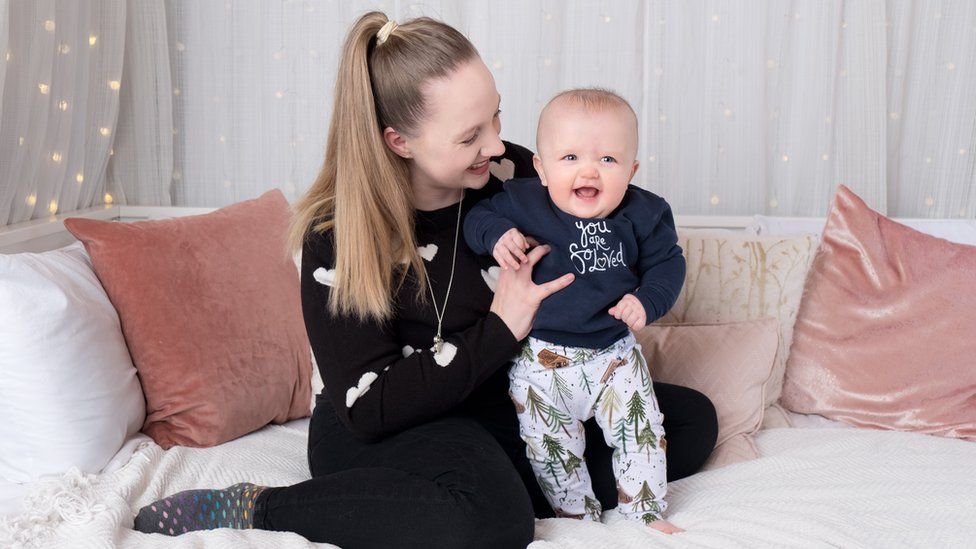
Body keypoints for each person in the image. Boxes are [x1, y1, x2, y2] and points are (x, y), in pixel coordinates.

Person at [133, 12, 717, 548]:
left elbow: (613, 210)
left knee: (687, 422)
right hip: (388, 425)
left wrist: (634, 289)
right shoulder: (340, 233)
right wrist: (502, 326)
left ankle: (505, 477)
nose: (494, 143)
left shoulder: (511, 174)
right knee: (495, 519)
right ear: (400, 141)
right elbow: (367, 405)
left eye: (496, 115)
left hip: (503, 399)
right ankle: (261, 507)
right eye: (469, 136)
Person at [464, 88, 684, 532]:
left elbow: (668, 264)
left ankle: (645, 513)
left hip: (614, 355)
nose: (589, 170)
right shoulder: (522, 201)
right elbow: (476, 219)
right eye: (570, 158)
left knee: (641, 432)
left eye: (608, 160)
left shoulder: (645, 212)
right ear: (542, 170)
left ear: (632, 169)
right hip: (542, 360)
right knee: (550, 447)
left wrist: (646, 300)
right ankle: (576, 515)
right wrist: (498, 235)